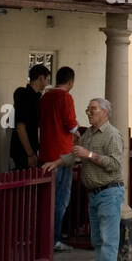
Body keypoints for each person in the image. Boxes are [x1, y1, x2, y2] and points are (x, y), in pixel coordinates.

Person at [44, 97, 124, 261]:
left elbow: (114, 164)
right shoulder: (89, 133)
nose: (88, 112)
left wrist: (89, 155)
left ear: (105, 112)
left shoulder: (112, 135)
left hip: (109, 192)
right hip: (95, 194)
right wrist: (57, 163)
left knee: (108, 239)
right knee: (97, 239)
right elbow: (75, 155)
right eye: (88, 109)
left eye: (93, 109)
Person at [39, 66, 79, 251]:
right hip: (61, 154)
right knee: (61, 198)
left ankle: (43, 235)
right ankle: (54, 238)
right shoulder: (65, 97)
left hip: (46, 152)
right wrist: (77, 132)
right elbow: (70, 123)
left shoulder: (45, 96)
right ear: (70, 82)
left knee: (47, 198)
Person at [11, 64, 51, 170]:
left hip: (31, 148)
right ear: (41, 78)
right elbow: (20, 127)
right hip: (23, 151)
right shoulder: (25, 96)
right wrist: (30, 154)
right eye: (47, 79)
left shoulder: (36, 98)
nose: (47, 83)